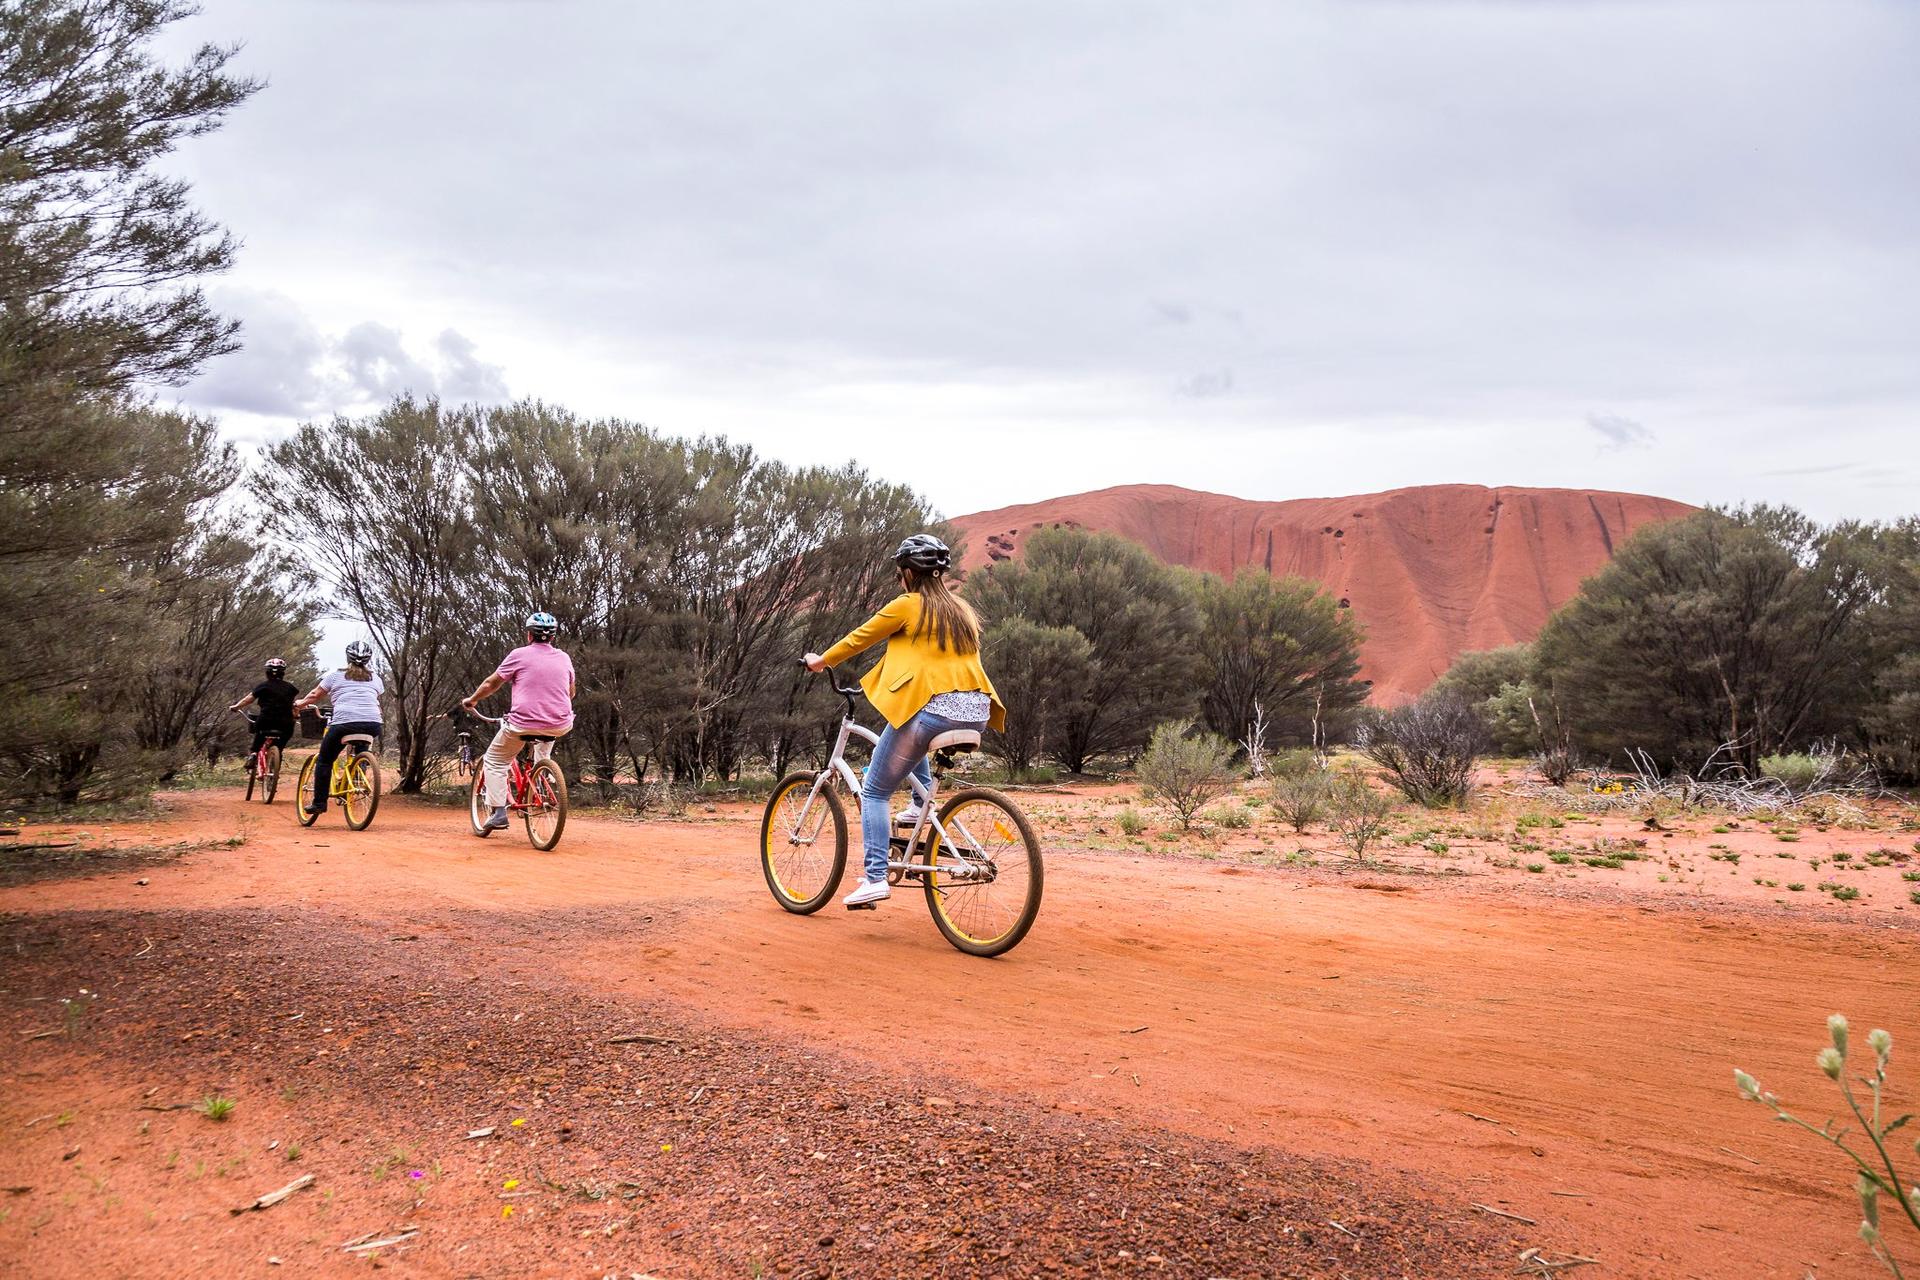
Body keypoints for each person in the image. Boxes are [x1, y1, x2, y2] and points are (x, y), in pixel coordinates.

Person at [804, 534, 1005, 907]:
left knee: (875, 791)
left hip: (934, 711)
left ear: (909, 573)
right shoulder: (962, 610)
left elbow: (859, 639)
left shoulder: (907, 606)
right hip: (976, 710)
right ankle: (918, 805)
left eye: (900, 573)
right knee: (909, 736)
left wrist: (821, 661)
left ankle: (874, 877)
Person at [462, 611, 575, 831]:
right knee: (545, 742)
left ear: (529, 635)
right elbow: (570, 692)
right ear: (552, 637)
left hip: (522, 724)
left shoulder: (519, 655)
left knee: (495, 760)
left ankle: (499, 813)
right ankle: (542, 778)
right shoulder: (564, 658)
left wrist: (472, 700)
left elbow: (491, 684)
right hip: (560, 723)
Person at [293, 640, 385, 818]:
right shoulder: (376, 678)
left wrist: (299, 704)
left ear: (347, 657)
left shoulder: (335, 676)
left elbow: (315, 695)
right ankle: (359, 772)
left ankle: (319, 803)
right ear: (368, 659)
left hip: (344, 723)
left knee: (325, 760)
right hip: (373, 724)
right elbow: (374, 699)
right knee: (361, 747)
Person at [228, 658, 299, 776]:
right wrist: (296, 716)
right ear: (283, 673)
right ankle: (277, 756)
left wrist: (236, 707)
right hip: (285, 722)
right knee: (283, 740)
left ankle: (254, 754)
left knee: (259, 733)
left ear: (267, 672)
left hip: (266, 720)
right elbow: (294, 705)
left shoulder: (263, 686)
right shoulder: (290, 688)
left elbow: (248, 699)